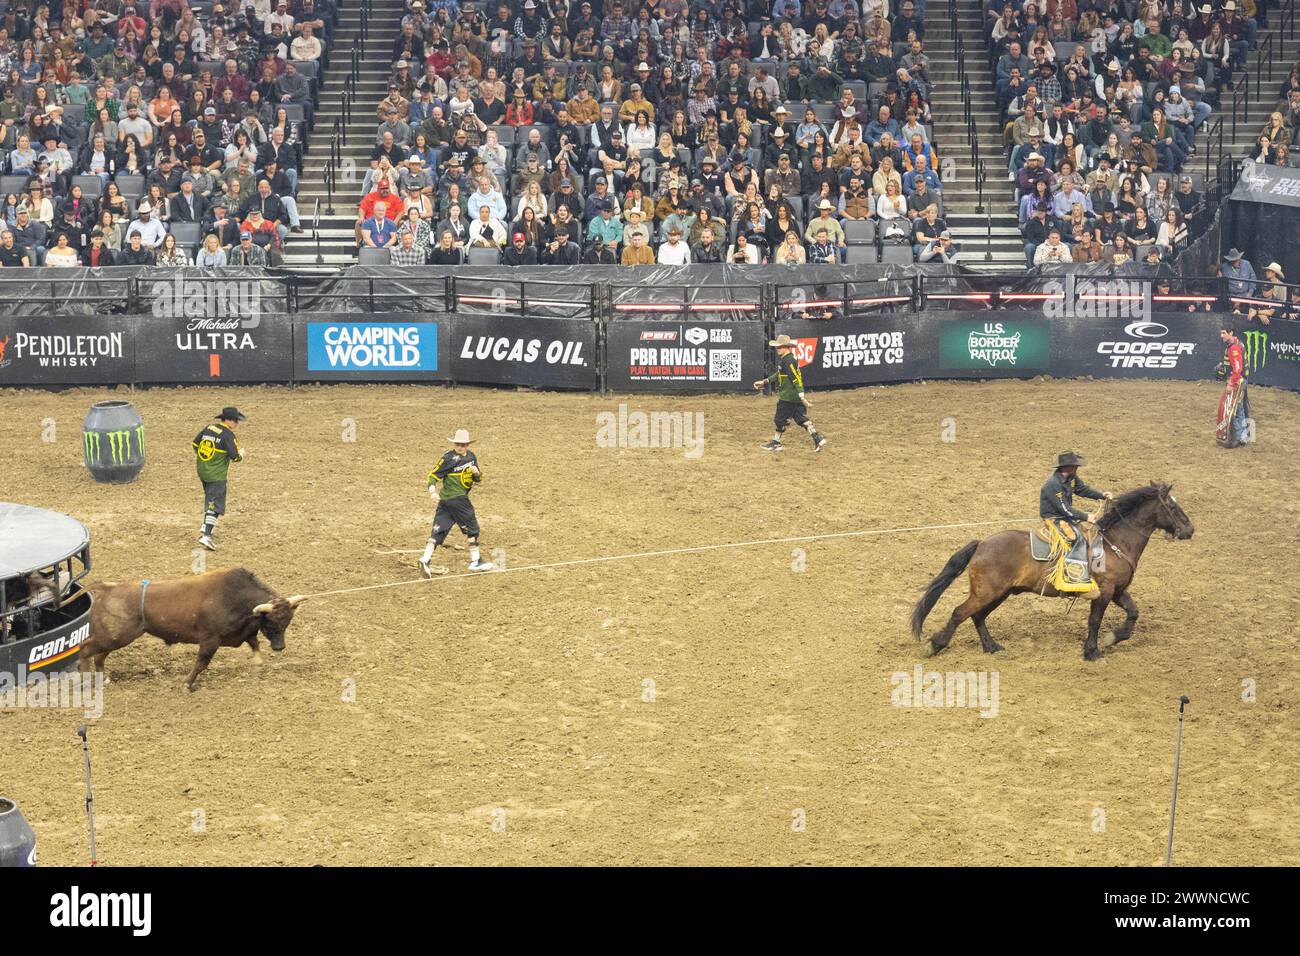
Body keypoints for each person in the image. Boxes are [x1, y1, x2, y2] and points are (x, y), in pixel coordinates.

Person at [419, 428, 494, 576]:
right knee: (472, 527)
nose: (461, 447)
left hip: (445, 502)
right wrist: (432, 492)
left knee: (438, 531)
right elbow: (433, 476)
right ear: (454, 444)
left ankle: (425, 559)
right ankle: (475, 561)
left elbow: (478, 478)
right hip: (458, 499)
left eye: (464, 444)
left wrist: (477, 473)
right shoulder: (448, 458)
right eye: (458, 444)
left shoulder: (471, 457)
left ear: (468, 445)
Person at [1039, 452, 1112, 597]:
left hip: (1065, 517)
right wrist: (1086, 516)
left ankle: (1092, 571)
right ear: (1067, 467)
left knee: (1091, 534)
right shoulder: (1053, 485)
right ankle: (1073, 581)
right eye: (1075, 466)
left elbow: (1082, 490)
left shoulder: (1071, 478)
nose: (1077, 468)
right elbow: (1064, 508)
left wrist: (1101, 495)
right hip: (1054, 518)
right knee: (1075, 539)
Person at [752, 334, 828, 453]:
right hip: (793, 396)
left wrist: (802, 395)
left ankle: (776, 443)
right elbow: (779, 375)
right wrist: (765, 381)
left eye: (780, 347)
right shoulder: (787, 360)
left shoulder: (788, 361)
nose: (777, 349)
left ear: (787, 347)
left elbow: (796, 378)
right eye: (777, 347)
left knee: (779, 419)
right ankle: (817, 439)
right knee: (801, 419)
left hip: (788, 397)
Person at [192, 407, 247, 551]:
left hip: (203, 471)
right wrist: (241, 454)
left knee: (210, 498)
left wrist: (206, 461)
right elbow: (235, 456)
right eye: (236, 421)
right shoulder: (228, 435)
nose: (237, 424)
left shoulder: (209, 428)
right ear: (229, 420)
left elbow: (195, 444)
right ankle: (207, 535)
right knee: (215, 504)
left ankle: (205, 525)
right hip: (216, 475)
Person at [1216, 325, 1251, 448]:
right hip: (1241, 380)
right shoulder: (1237, 344)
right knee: (1240, 407)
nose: (1222, 336)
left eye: (1224, 333)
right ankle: (1243, 436)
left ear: (1230, 333)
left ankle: (1238, 437)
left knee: (1234, 408)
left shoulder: (1234, 348)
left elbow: (1237, 368)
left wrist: (1231, 383)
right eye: (1221, 333)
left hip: (1237, 381)